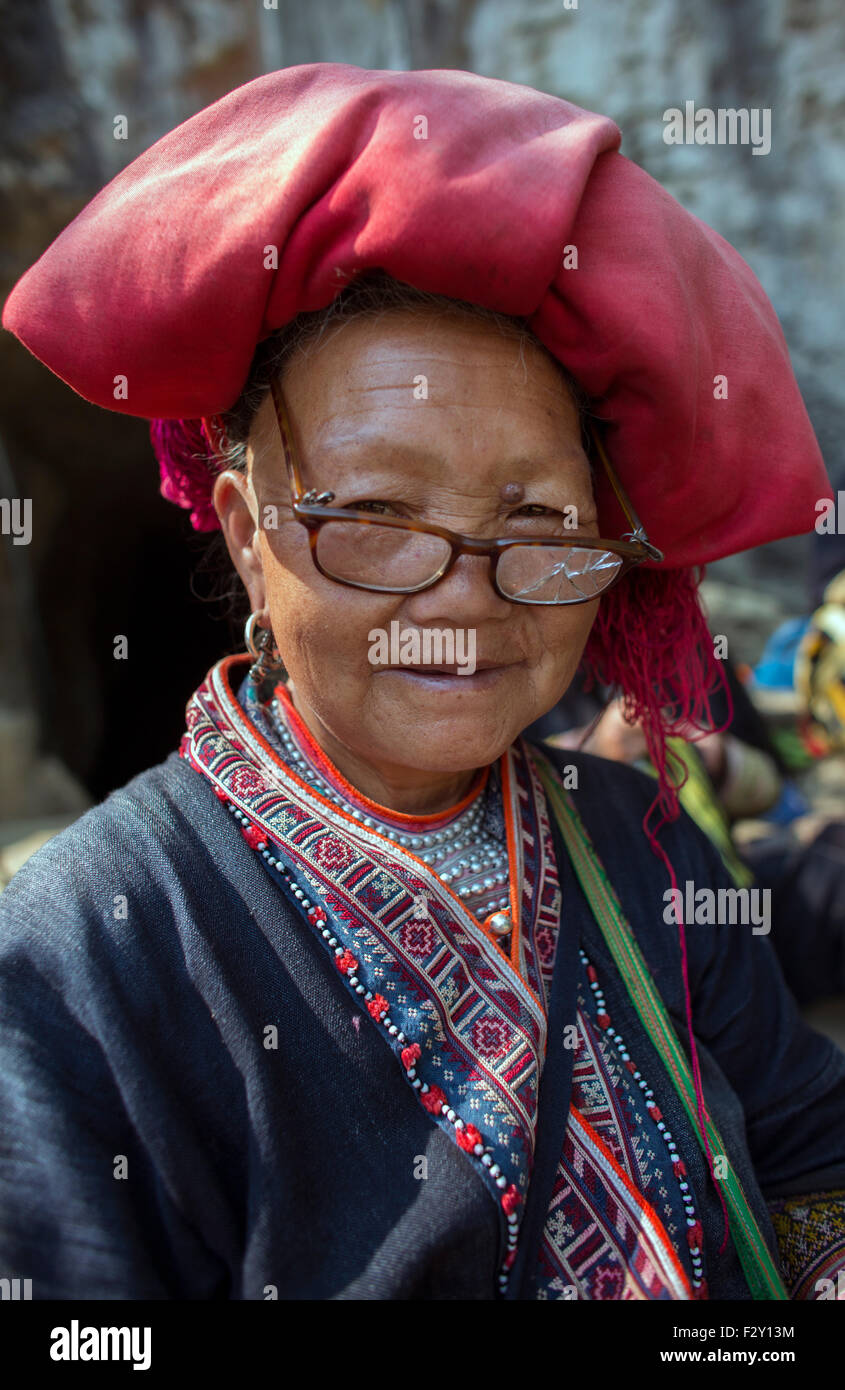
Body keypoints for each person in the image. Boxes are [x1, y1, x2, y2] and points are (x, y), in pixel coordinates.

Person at [1, 62, 844, 1302]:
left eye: (536, 520)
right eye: (377, 513)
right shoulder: (88, 953)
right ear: (245, 530)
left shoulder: (642, 846)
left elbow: (805, 1153)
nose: (462, 594)